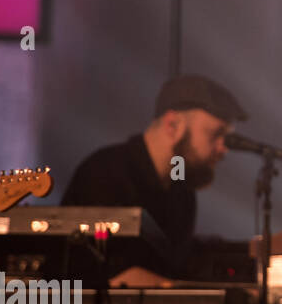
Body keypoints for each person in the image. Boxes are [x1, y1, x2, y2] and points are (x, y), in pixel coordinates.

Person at [60, 74, 247, 278]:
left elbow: (178, 263)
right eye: (215, 134)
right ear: (172, 125)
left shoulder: (181, 188)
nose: (223, 148)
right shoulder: (105, 172)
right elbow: (80, 267)